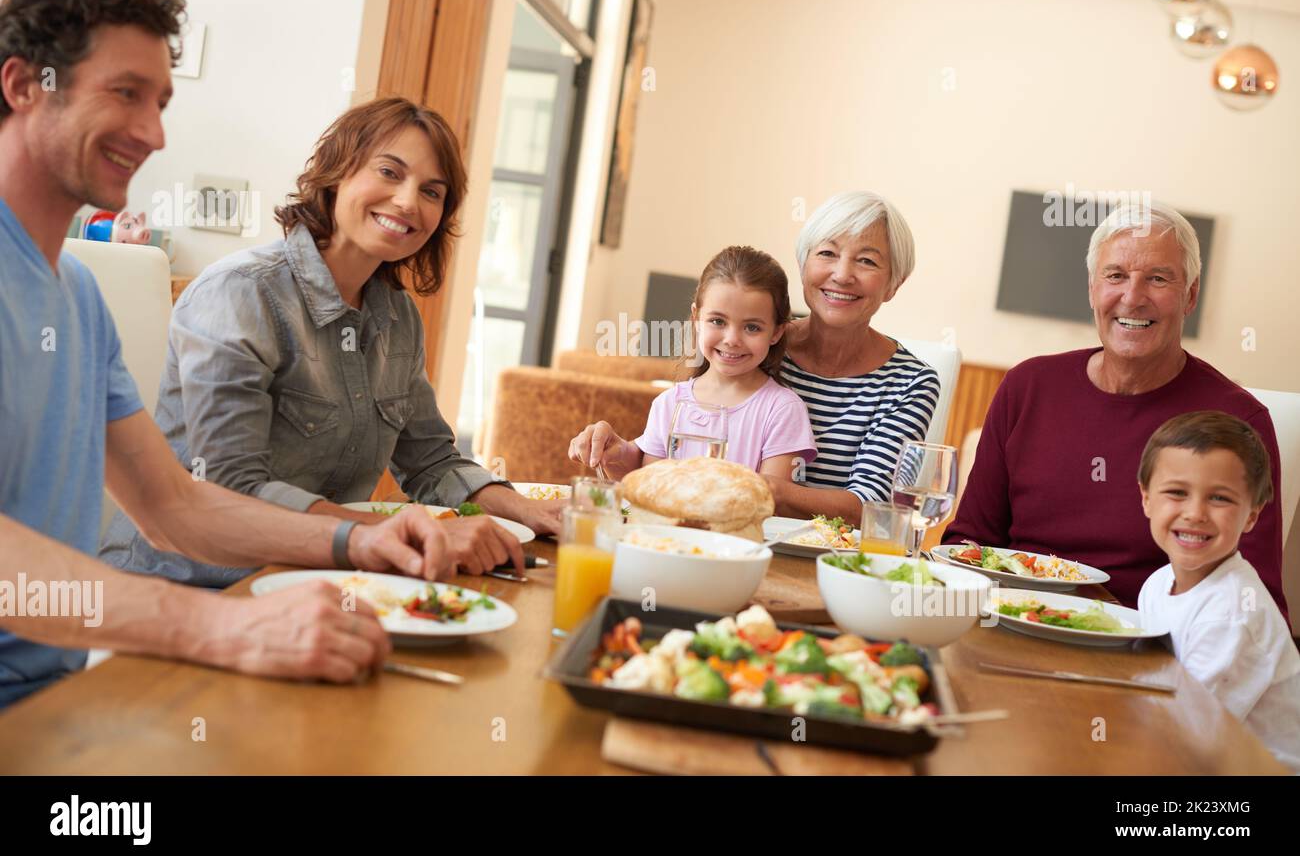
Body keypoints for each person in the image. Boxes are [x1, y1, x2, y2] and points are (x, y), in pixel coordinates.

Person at [0, 0, 451, 706]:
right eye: (126, 93)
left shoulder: (75, 296)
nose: (154, 132)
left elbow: (172, 505)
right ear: (22, 86)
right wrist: (223, 627)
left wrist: (357, 540)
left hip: (54, 697)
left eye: (162, 101)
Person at [100, 96, 560, 587]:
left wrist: (528, 511)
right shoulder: (240, 292)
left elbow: (430, 460)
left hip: (309, 580)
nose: (408, 202)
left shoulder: (397, 315)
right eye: (389, 172)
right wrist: (397, 534)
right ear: (337, 172)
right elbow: (233, 488)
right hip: (184, 586)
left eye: (432, 191)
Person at [945, 201, 1288, 616]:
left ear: (1190, 295)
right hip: (1011, 623)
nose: (1133, 297)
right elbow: (969, 542)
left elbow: (1254, 598)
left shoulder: (1238, 423)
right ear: (1092, 289)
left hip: (1149, 647)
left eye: (1158, 279)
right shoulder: (1027, 386)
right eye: (1116, 276)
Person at [1136, 411, 1300, 772]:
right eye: (1177, 492)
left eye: (1220, 499)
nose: (1195, 513)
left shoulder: (1232, 615)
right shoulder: (1157, 584)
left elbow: (1185, 739)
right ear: (1146, 498)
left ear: (1252, 516)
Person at [568, 245, 817, 480]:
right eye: (718, 321)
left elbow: (770, 501)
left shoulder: (783, 410)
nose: (732, 340)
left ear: (776, 332)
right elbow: (651, 492)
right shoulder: (669, 403)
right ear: (697, 318)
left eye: (752, 327)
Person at [765, 191, 940, 520]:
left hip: (834, 562)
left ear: (894, 284)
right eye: (828, 253)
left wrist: (769, 490)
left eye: (867, 261)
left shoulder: (912, 383)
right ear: (803, 266)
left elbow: (872, 508)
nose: (842, 274)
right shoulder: (759, 348)